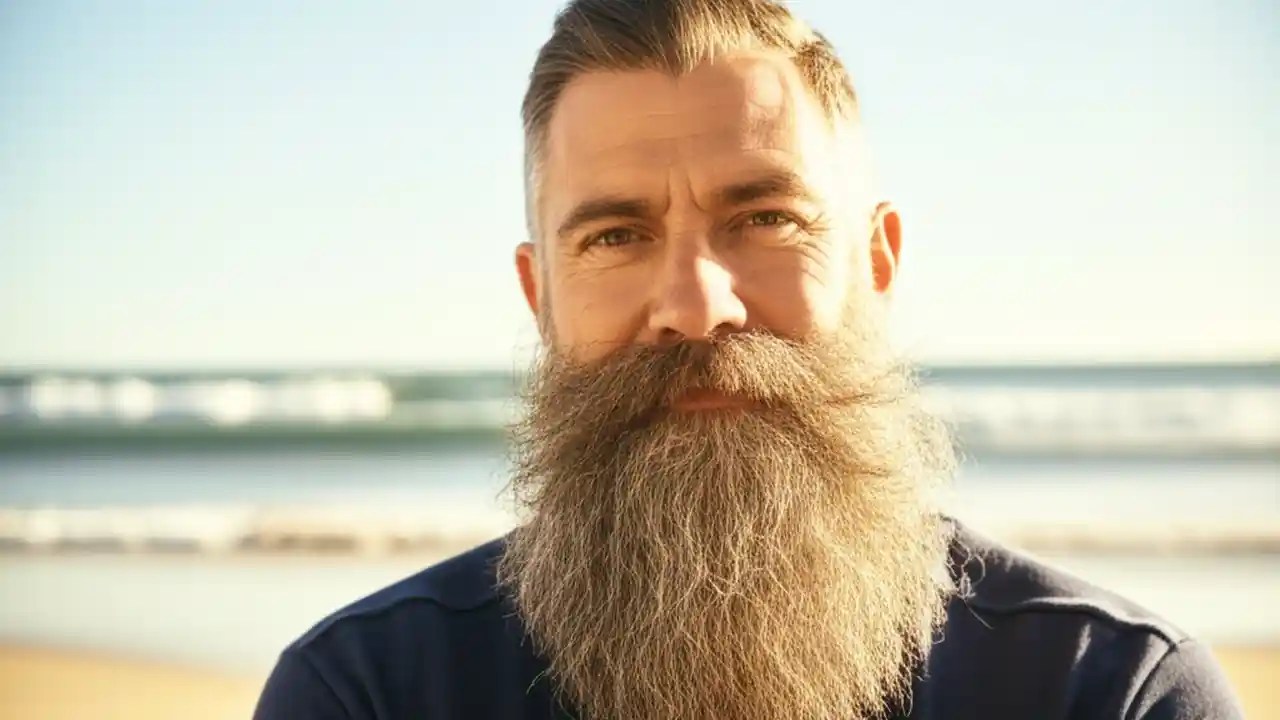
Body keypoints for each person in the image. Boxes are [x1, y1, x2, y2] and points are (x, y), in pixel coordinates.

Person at [253, 1, 1243, 718]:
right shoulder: (368, 693)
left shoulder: (1108, 695)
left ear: (875, 260)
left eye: (765, 218)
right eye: (612, 237)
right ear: (538, 297)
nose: (694, 305)